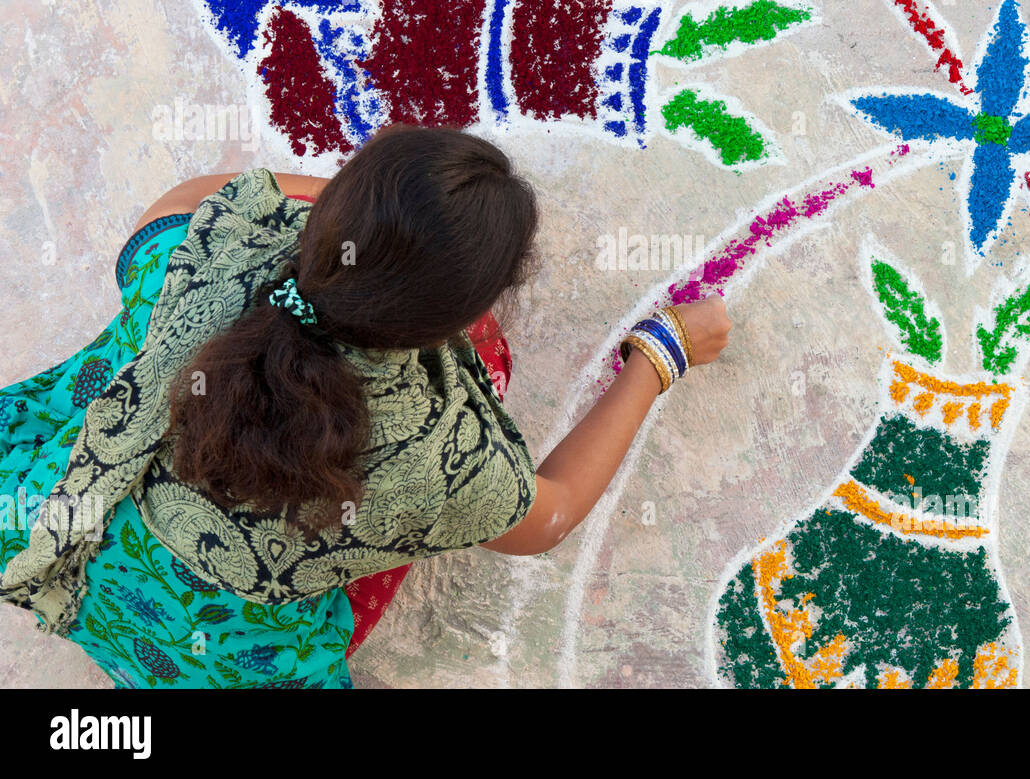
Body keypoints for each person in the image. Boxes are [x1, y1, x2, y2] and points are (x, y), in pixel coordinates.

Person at [0, 124, 731, 687]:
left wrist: (384, 220)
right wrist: (660, 352)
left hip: (54, 530)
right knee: (494, 357)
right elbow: (554, 511)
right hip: (215, 663)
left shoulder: (206, 244)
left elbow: (177, 203)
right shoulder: (436, 458)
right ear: (441, 323)